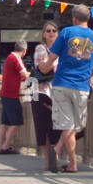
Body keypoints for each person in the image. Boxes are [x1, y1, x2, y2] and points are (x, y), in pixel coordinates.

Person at [39, 5, 93, 173]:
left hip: (60, 84)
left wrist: (43, 67)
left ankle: (63, 156)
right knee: (75, 125)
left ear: (74, 18)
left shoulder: (66, 33)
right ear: (88, 18)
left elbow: (52, 58)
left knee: (67, 124)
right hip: (81, 85)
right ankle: (62, 154)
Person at [30, 22, 60, 172]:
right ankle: (48, 162)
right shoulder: (41, 49)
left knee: (58, 128)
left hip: (57, 92)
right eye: (48, 31)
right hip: (41, 92)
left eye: (54, 30)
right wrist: (55, 57)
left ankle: (55, 159)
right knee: (43, 128)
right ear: (43, 34)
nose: (51, 33)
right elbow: (44, 68)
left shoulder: (62, 50)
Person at [0, 40, 29, 154]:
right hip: (11, 94)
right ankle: (5, 146)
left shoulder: (9, 57)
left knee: (4, 122)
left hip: (5, 93)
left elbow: (17, 76)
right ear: (24, 50)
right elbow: (24, 73)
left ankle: (0, 146)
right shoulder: (16, 57)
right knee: (16, 122)